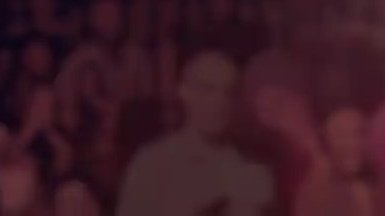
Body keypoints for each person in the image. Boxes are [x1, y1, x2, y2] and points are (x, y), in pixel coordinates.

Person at [116, 50, 274, 216]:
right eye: (207, 90)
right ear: (184, 92)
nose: (219, 101)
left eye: (229, 92)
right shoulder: (152, 165)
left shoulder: (254, 169)